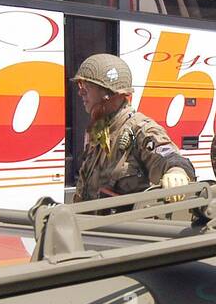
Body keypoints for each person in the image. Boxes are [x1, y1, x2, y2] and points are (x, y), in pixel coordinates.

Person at [72, 54, 195, 203]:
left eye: (86, 88)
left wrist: (177, 171)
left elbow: (168, 156)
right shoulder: (99, 131)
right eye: (80, 87)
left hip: (123, 224)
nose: (80, 93)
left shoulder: (140, 129)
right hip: (90, 222)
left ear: (107, 93)